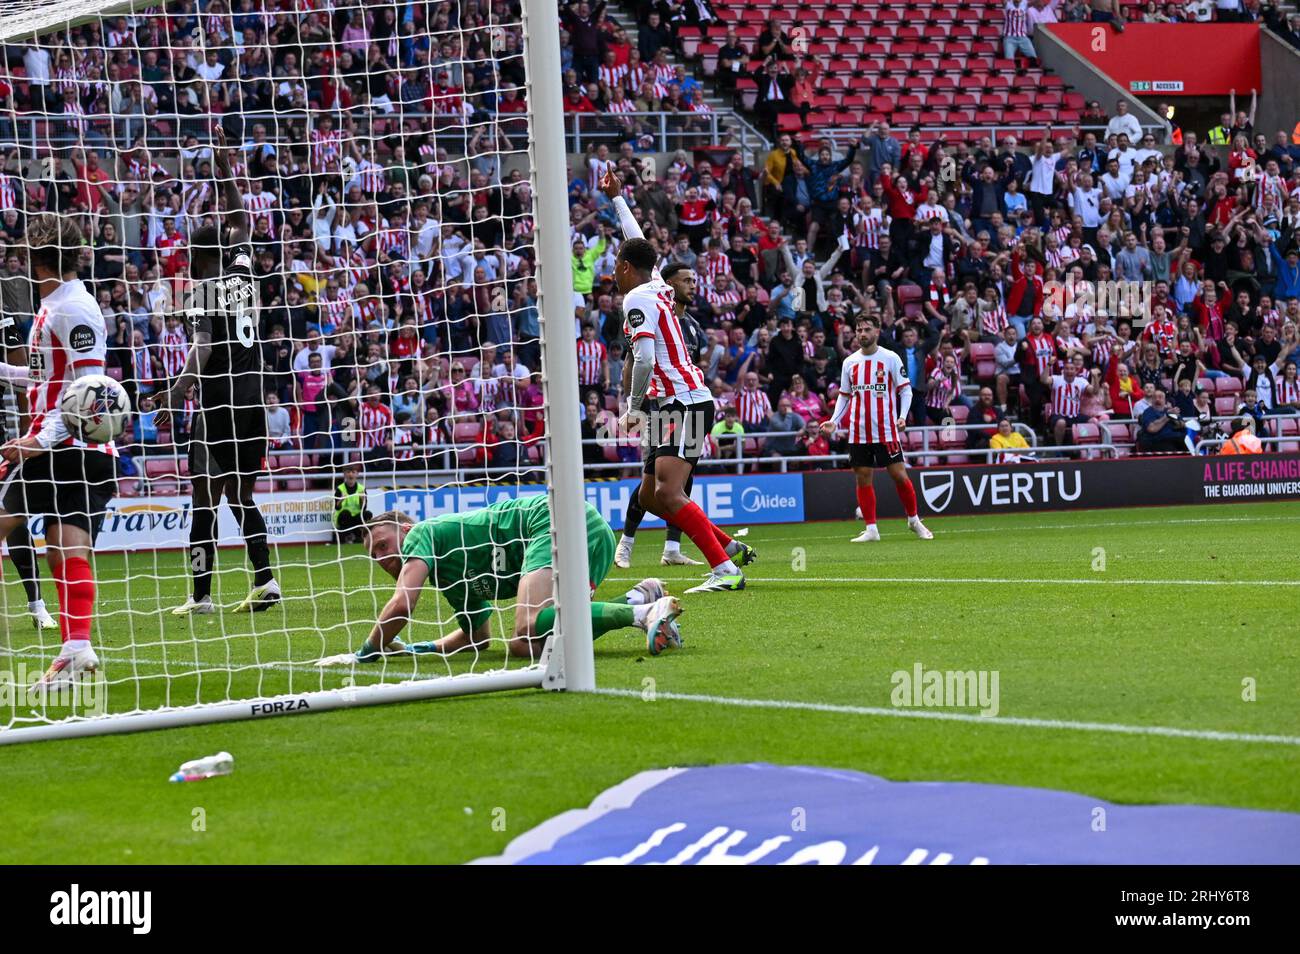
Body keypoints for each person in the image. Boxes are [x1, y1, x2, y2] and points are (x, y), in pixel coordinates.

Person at [604, 172, 755, 589]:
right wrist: (617, 198)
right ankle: (727, 548)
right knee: (652, 496)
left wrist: (634, 408)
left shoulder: (636, 296)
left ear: (623, 267)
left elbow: (647, 356)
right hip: (682, 400)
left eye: (618, 268)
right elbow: (638, 241)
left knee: (669, 494)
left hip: (680, 401)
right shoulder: (655, 283)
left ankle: (725, 571)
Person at [159, 128, 279, 615]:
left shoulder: (202, 290)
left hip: (219, 403)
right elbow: (239, 216)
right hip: (256, 403)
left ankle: (202, 596)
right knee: (242, 496)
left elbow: (203, 345)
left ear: (198, 256)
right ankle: (266, 581)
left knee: (205, 498)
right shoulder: (245, 274)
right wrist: (226, 162)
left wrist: (176, 389)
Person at [0, 214, 116, 684]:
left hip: (64, 448)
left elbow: (89, 386)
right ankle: (77, 650)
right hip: (65, 447)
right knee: (64, 552)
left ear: (38, 263)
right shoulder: (58, 306)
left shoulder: (73, 309)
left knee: (62, 550)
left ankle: (76, 648)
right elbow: (49, 379)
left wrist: (37, 440)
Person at [354, 496, 685, 661]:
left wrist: (369, 649)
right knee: (527, 644)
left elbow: (403, 602)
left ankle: (642, 615)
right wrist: (418, 648)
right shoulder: (448, 575)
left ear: (406, 531)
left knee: (526, 624)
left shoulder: (422, 533)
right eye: (374, 556)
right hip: (594, 534)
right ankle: (638, 598)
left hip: (548, 521)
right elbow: (477, 638)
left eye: (383, 545)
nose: (382, 558)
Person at [821, 316, 933, 542]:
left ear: (877, 332)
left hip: (886, 430)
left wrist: (902, 417)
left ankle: (914, 520)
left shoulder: (890, 358)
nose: (862, 333)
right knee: (863, 477)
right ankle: (871, 529)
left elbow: (906, 390)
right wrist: (834, 420)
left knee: (899, 475)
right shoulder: (849, 362)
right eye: (859, 330)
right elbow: (844, 396)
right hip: (857, 431)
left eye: (866, 329)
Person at [0, 246, 56, 631]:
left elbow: (23, 373)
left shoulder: (3, 320)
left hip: (4, 432)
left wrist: (27, 433)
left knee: (12, 518)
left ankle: (36, 605)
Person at [333, 465, 370, 544]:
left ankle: (360, 536)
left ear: (357, 474)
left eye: (353, 472)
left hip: (356, 518)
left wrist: (363, 500)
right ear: (345, 474)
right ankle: (346, 536)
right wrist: (341, 500)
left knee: (367, 514)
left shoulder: (361, 489)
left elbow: (364, 508)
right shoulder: (340, 489)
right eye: (348, 472)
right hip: (343, 519)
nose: (351, 475)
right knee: (346, 514)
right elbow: (337, 507)